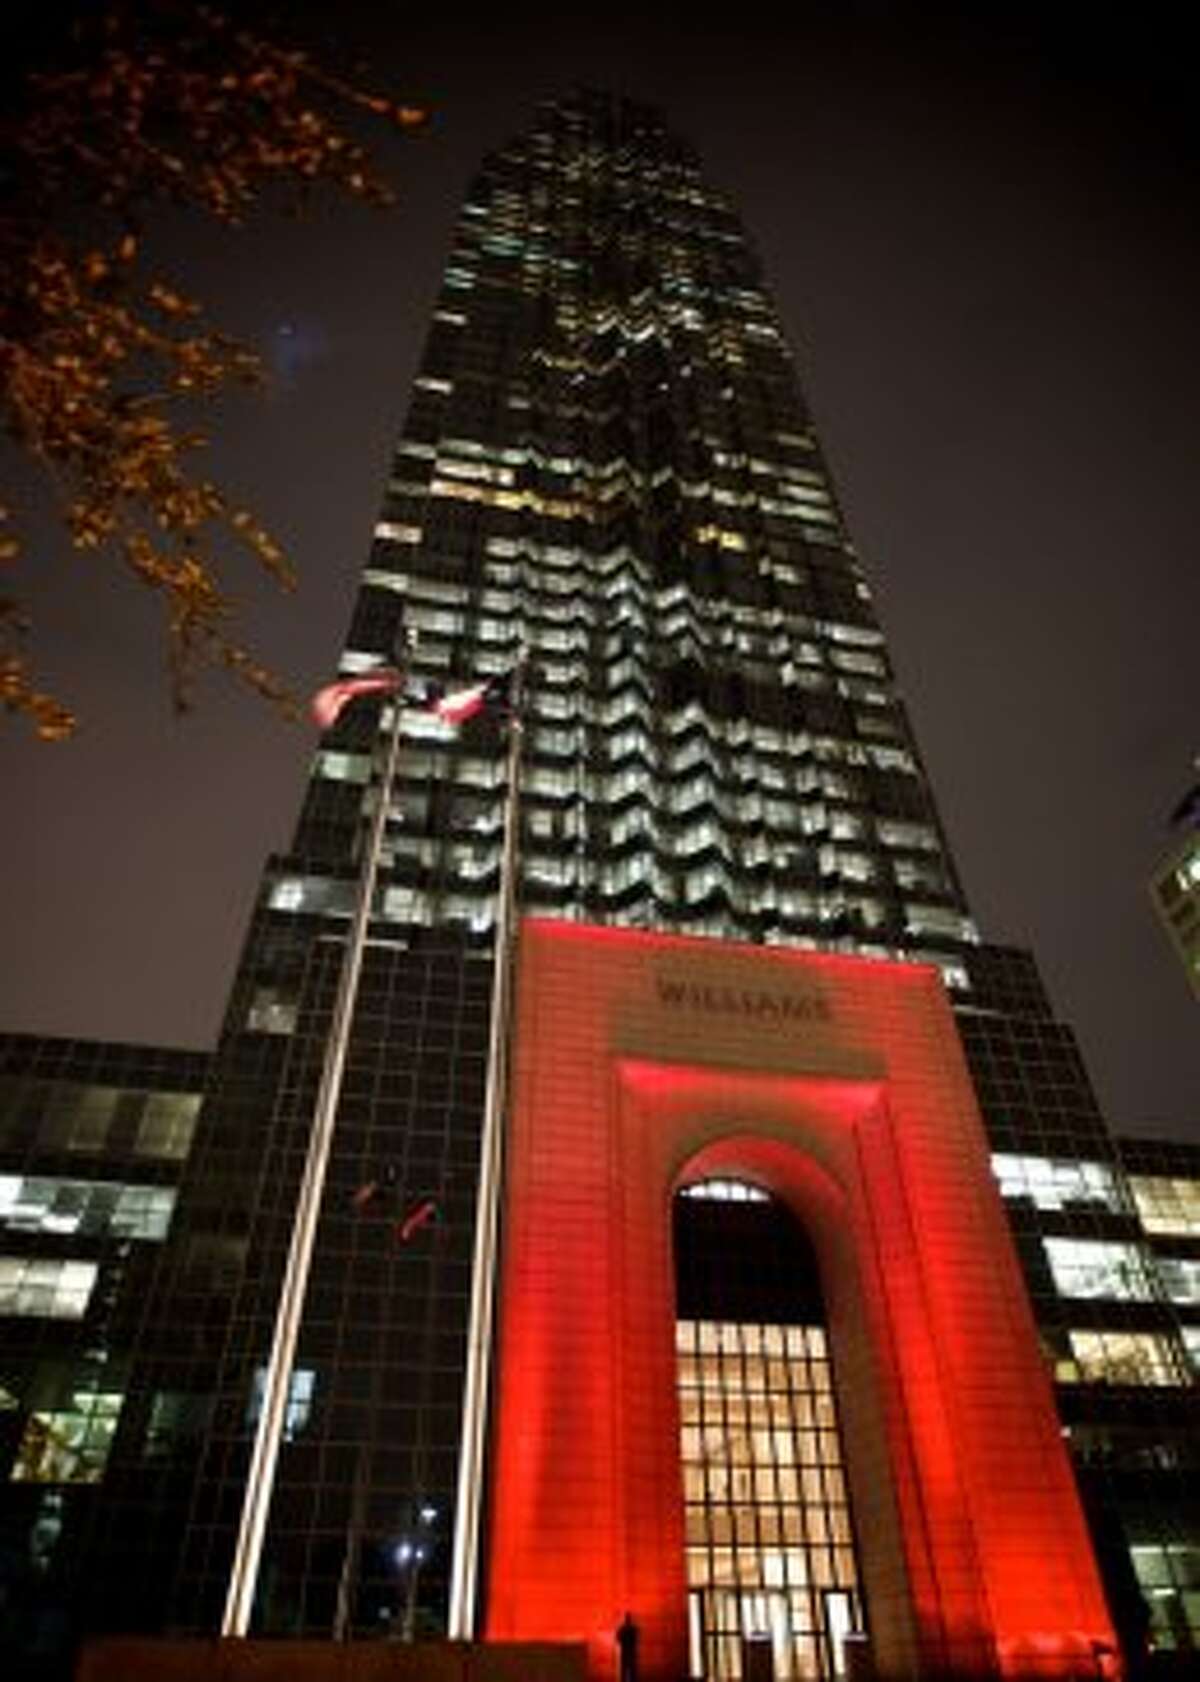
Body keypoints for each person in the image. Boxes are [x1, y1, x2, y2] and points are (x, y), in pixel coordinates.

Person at [616, 1610, 638, 1682]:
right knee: (632, 1669)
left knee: (623, 1670)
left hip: (624, 1651)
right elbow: (636, 1639)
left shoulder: (621, 1629)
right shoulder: (634, 1629)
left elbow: (618, 1639)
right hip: (631, 1651)